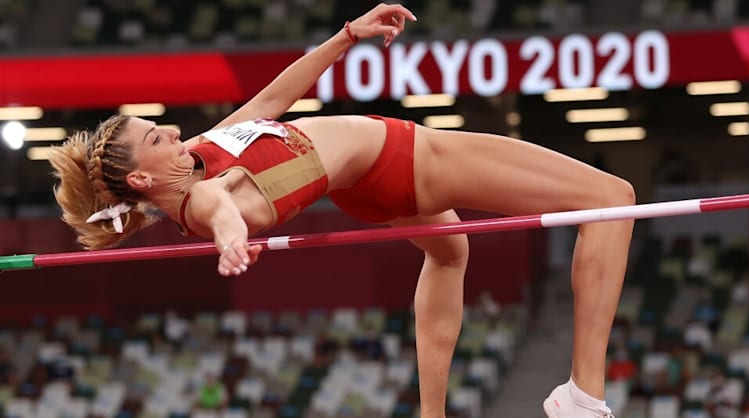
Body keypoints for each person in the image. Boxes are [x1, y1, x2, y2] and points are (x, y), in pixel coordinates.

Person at [47, 4, 634, 417]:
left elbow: (271, 100)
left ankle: (432, 415)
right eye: (157, 137)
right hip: (408, 158)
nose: (174, 130)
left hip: (365, 188)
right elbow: (218, 208)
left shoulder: (198, 156)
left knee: (450, 252)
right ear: (142, 178)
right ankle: (583, 394)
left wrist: (348, 35)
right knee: (612, 199)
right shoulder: (199, 198)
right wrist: (229, 239)